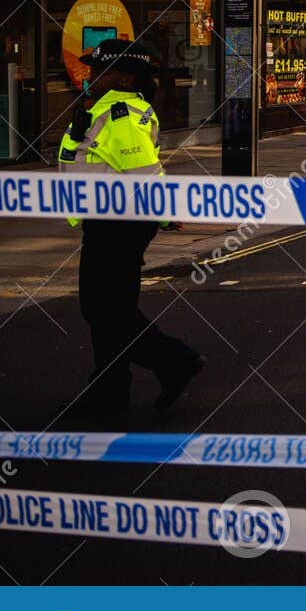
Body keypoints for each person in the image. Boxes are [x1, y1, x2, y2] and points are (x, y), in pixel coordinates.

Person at [59, 39, 203, 417]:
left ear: (125, 76)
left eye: (101, 70)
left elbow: (143, 172)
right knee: (112, 309)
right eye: (92, 68)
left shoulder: (119, 115)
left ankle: (174, 360)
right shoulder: (106, 109)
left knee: (104, 310)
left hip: (117, 223)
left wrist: (163, 210)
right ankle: (110, 391)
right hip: (111, 219)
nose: (92, 75)